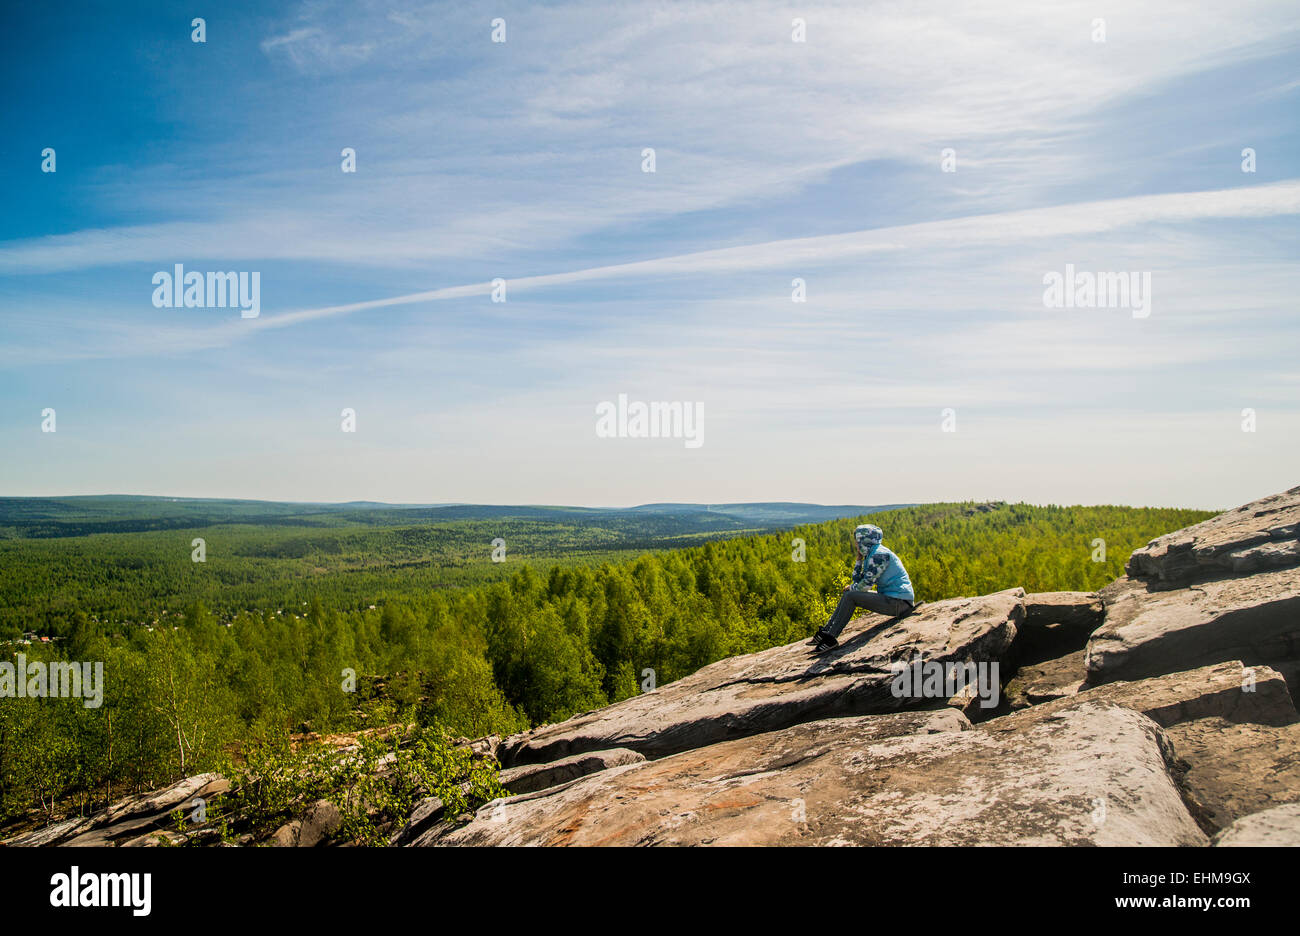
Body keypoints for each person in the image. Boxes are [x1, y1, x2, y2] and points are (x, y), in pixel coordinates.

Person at [812, 523, 914, 651]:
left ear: (864, 540)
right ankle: (827, 631)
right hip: (895, 600)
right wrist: (859, 560)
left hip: (899, 603)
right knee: (849, 594)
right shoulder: (872, 554)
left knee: (850, 596)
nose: (855, 544)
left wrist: (853, 588)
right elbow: (858, 581)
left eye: (857, 540)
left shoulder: (879, 555)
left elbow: (865, 586)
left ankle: (831, 637)